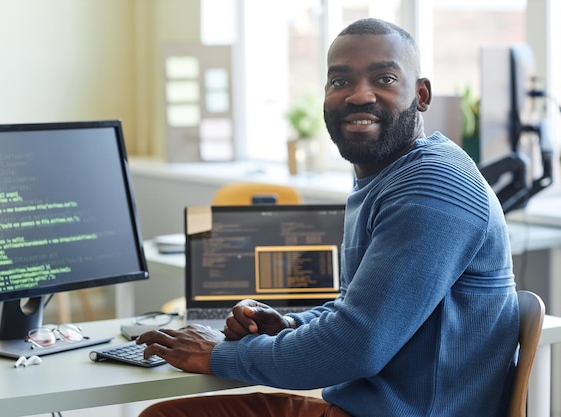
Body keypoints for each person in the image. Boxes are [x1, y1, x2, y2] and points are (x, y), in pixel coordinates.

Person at [137, 17, 518, 417]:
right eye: (340, 81)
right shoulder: (391, 176)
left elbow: (358, 346)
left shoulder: (431, 186)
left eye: (384, 78)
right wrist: (289, 325)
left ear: (421, 95)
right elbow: (357, 310)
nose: (358, 95)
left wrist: (218, 355)